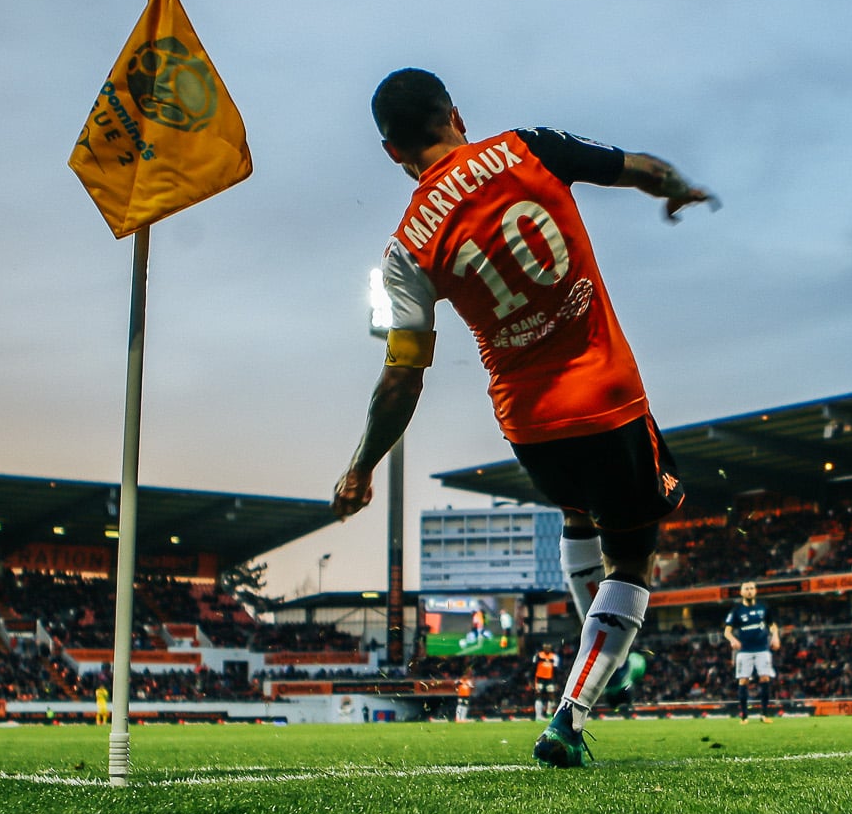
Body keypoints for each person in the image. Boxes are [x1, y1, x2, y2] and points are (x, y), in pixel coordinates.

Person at [330, 68, 714, 769]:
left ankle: (605, 660)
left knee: (577, 515)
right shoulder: (527, 148)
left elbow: (401, 378)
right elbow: (640, 168)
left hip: (530, 426)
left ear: (391, 153)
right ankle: (571, 715)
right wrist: (677, 187)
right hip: (608, 400)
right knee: (631, 557)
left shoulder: (406, 249)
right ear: (455, 113)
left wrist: (362, 464)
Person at [723, 581, 780, 724]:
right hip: (745, 650)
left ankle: (764, 715)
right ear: (741, 592)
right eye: (746, 589)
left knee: (765, 678)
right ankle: (744, 716)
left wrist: (775, 636)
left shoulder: (763, 607)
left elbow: (772, 625)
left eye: (752, 588)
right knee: (743, 680)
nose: (749, 591)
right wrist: (732, 639)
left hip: (762, 649)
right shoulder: (736, 610)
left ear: (756, 591)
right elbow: (727, 631)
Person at [532, 645, 560, 722]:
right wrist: (532, 680)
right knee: (538, 695)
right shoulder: (538, 655)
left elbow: (556, 670)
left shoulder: (554, 657)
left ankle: (549, 714)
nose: (547, 647)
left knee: (551, 696)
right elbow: (533, 668)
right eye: (545, 645)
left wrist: (556, 682)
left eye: (548, 646)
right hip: (539, 678)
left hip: (550, 679)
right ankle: (538, 716)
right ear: (543, 647)